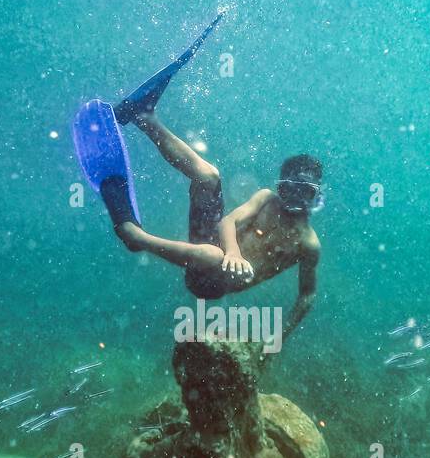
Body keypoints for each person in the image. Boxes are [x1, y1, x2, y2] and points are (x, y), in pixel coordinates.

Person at [109, 107, 323, 345]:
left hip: (209, 284)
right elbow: (228, 221)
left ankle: (135, 236)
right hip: (213, 244)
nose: (294, 198)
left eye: (305, 192)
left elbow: (307, 295)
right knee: (209, 176)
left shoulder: (308, 244)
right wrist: (233, 252)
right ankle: (144, 118)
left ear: (316, 195)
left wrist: (279, 337)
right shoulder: (267, 199)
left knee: (212, 254)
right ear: (279, 187)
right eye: (288, 189)